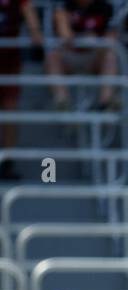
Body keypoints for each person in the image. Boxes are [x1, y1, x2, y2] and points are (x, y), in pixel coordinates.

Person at [0, 0, 43, 180]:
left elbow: (29, 14)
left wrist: (37, 40)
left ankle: (7, 162)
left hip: (9, 58)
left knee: (10, 109)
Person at [47, 0, 117, 111]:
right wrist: (87, 38)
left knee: (110, 56)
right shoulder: (65, 6)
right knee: (52, 56)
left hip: (96, 57)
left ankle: (106, 102)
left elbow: (111, 39)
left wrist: (94, 41)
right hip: (71, 55)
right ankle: (63, 103)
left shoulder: (105, 7)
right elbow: (65, 36)